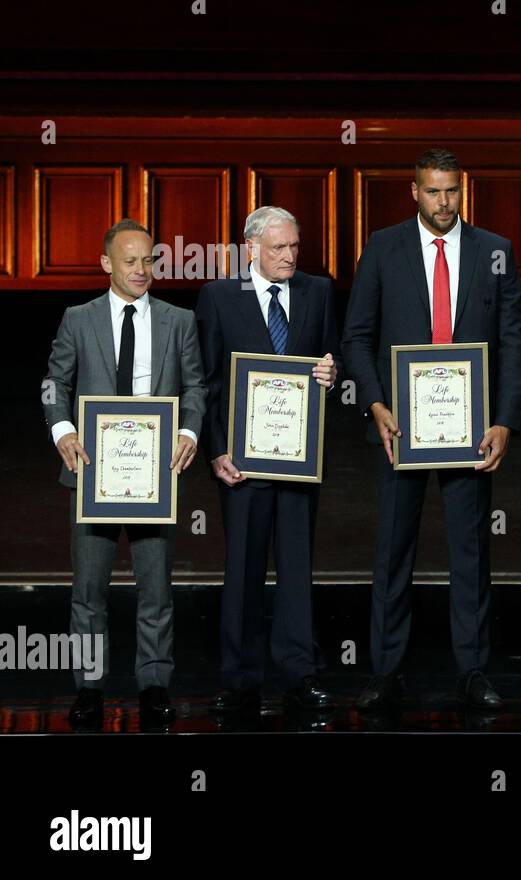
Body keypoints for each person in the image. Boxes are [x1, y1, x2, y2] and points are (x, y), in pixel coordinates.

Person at [342, 148, 521, 712]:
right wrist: (374, 403)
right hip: (401, 430)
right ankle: (386, 672)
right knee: (393, 552)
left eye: (452, 191)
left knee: (471, 555)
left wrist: (504, 420)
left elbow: (514, 341)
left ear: (461, 189)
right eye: (433, 192)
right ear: (414, 192)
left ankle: (472, 672)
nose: (444, 202)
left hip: (470, 430)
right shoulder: (382, 247)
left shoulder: (495, 251)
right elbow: (356, 336)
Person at [42, 219, 205, 729]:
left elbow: (197, 388)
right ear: (107, 264)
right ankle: (89, 689)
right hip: (92, 471)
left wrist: (190, 433)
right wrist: (63, 430)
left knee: (156, 588)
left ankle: (154, 684)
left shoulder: (178, 320)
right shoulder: (78, 317)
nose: (142, 270)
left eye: (149, 260)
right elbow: (54, 382)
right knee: (88, 590)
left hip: (155, 473)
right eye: (131, 260)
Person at [196, 206, 340, 718]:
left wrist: (330, 372)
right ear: (251, 247)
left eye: (295, 246)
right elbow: (208, 382)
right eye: (279, 248)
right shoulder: (218, 297)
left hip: (298, 457)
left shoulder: (317, 292)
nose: (289, 256)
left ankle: (300, 675)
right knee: (244, 569)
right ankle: (240, 679)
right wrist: (215, 450)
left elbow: (329, 359)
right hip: (242, 462)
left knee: (298, 568)